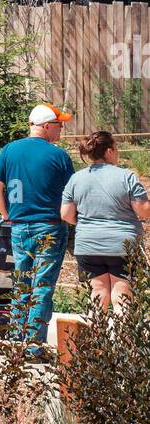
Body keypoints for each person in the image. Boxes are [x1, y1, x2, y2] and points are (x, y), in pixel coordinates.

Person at [0, 103, 74, 352]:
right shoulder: (58, 155)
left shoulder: (9, 150)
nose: (61, 130)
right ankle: (34, 345)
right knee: (42, 285)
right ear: (47, 126)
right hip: (50, 227)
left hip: (19, 228)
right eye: (59, 125)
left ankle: (16, 340)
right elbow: (72, 194)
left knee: (22, 283)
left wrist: (7, 214)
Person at [60, 129, 150, 311]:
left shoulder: (76, 179)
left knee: (97, 295)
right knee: (122, 296)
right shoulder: (127, 176)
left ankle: (97, 337)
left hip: (88, 244)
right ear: (109, 150)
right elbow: (144, 211)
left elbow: (66, 215)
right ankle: (120, 338)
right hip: (122, 244)